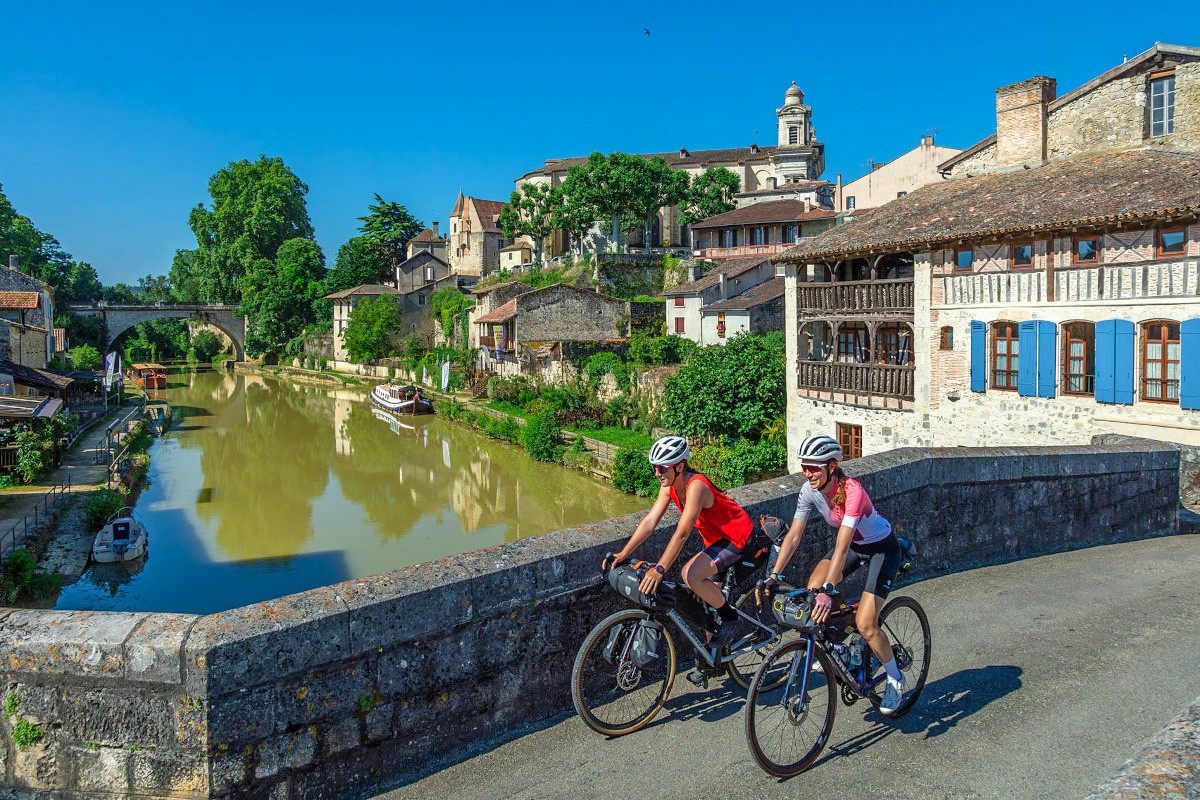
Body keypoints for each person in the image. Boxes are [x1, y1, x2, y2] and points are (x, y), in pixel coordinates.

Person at [764, 434, 909, 716]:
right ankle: (841, 648)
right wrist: (775, 575)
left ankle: (894, 677)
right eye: (804, 467)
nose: (807, 473)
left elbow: (841, 544)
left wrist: (829, 590)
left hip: (881, 549)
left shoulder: (853, 491)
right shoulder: (809, 491)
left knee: (866, 623)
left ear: (831, 466)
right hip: (855, 546)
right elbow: (793, 536)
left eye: (814, 467)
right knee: (811, 590)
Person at [604, 434, 754, 651]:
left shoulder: (697, 486)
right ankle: (715, 658)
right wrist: (623, 554)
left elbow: (682, 533)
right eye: (654, 467)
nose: (657, 473)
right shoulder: (669, 486)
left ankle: (731, 617)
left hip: (738, 539)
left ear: (680, 466)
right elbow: (650, 522)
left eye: (662, 468)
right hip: (716, 543)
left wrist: (660, 568)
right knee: (706, 606)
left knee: (690, 574)